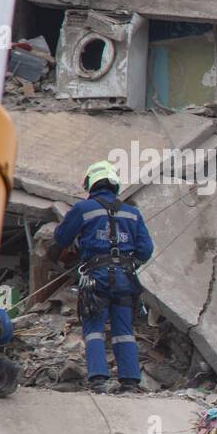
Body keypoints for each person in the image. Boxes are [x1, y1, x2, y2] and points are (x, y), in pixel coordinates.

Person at [49, 160, 154, 393]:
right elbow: (146, 250)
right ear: (115, 183)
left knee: (94, 328)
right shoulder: (132, 213)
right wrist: (129, 262)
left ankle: (98, 381)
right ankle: (130, 382)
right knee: (124, 331)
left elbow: (62, 238)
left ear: (91, 183)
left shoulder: (83, 209)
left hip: (96, 277)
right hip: (125, 278)